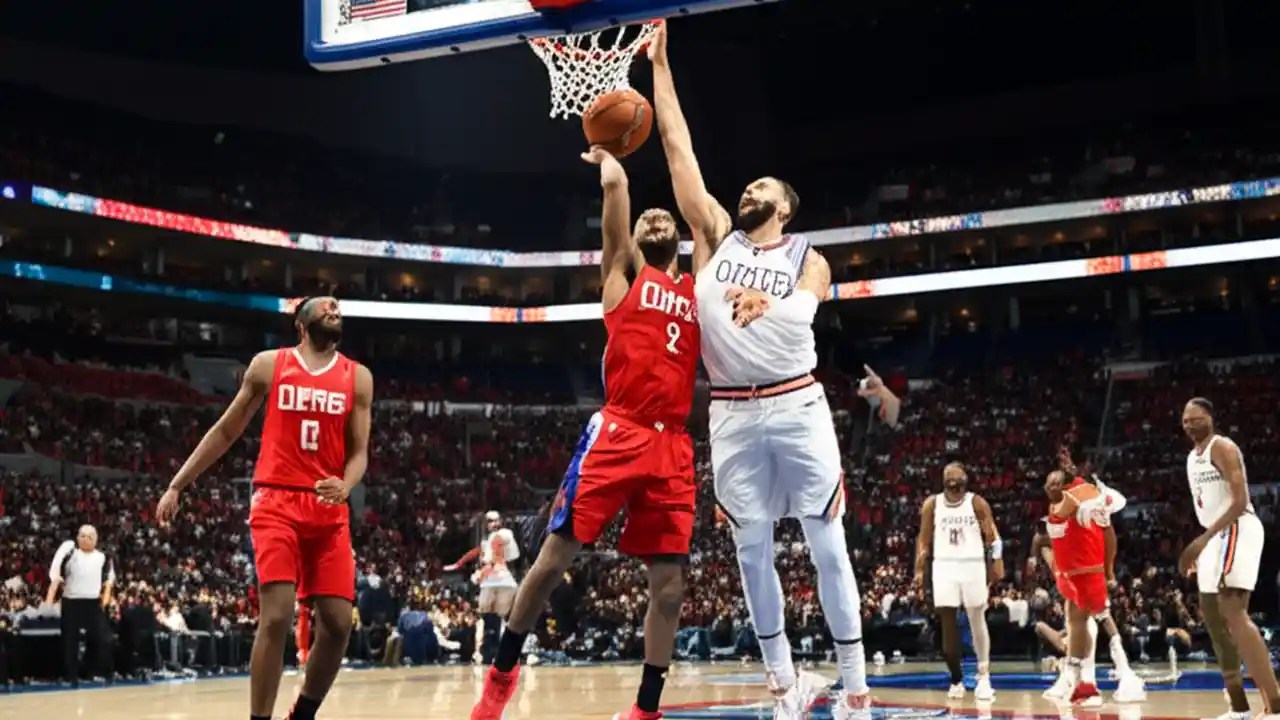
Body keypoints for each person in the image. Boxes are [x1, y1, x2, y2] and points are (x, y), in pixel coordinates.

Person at [648, 21, 900, 720]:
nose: (748, 189)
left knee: (828, 545)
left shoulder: (807, 257)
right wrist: (661, 65)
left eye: (763, 185)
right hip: (729, 409)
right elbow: (677, 148)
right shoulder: (712, 237)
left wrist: (774, 303)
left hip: (796, 404)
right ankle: (784, 685)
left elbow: (807, 314)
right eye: (749, 184)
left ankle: (854, 688)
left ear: (783, 207)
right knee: (751, 553)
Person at [470, 148, 697, 720]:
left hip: (672, 443)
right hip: (618, 431)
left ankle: (646, 709)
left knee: (668, 587)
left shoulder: (698, 292)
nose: (655, 221)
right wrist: (612, 165)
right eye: (647, 218)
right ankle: (501, 674)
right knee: (550, 562)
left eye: (664, 218)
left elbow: (704, 214)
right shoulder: (623, 277)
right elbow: (617, 202)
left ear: (681, 237)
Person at [155, 296, 373, 720]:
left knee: (339, 623)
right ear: (300, 322)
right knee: (275, 617)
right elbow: (226, 430)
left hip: (328, 508)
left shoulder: (358, 378)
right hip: (276, 500)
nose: (334, 307)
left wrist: (345, 485)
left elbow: (360, 453)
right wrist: (178, 484)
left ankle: (302, 713)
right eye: (324, 305)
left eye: (338, 306)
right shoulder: (269, 365)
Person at [1180, 397, 1280, 720]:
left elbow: (1239, 501)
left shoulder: (1221, 447)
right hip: (1215, 535)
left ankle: (1276, 704)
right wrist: (1205, 545)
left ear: (1210, 417)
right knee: (1212, 615)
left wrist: (1203, 540)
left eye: (1195, 418)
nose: (1189, 424)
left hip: (1237, 526)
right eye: (1185, 420)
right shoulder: (1190, 459)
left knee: (1232, 611)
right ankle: (1238, 707)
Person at [1039, 450, 1145, 705]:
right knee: (1076, 621)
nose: (1052, 486)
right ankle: (1076, 679)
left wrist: (1108, 570)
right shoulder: (1062, 498)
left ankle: (1121, 676)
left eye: (1068, 458)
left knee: (1100, 618)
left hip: (1088, 570)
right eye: (1048, 485)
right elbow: (1052, 534)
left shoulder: (1085, 492)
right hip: (1069, 573)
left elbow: (1108, 533)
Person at [913, 462, 1003, 701]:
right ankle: (956, 679)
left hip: (972, 564)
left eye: (957, 473)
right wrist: (919, 570)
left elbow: (993, 536)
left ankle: (984, 677)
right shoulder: (932, 504)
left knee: (976, 618)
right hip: (943, 565)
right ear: (942, 479)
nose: (952, 476)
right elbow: (923, 541)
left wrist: (997, 561)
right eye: (948, 474)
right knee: (947, 623)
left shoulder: (977, 503)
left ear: (965, 476)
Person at [443, 510, 521, 663]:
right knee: (491, 620)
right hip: (494, 581)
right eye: (490, 521)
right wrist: (458, 564)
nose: (492, 524)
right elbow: (477, 553)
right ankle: (493, 653)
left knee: (494, 619)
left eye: (495, 521)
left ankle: (496, 653)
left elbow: (495, 561)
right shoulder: (487, 541)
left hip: (499, 581)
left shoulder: (502, 536)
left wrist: (479, 575)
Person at [46, 525, 115, 687]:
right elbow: (55, 568)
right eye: (82, 535)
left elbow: (109, 579)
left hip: (93, 603)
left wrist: (105, 601)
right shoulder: (70, 551)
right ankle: (71, 677)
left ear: (96, 539)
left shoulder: (102, 556)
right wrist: (55, 582)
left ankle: (92, 672)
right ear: (77, 537)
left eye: (90, 536)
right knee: (70, 641)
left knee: (103, 639)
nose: (86, 539)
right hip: (72, 601)